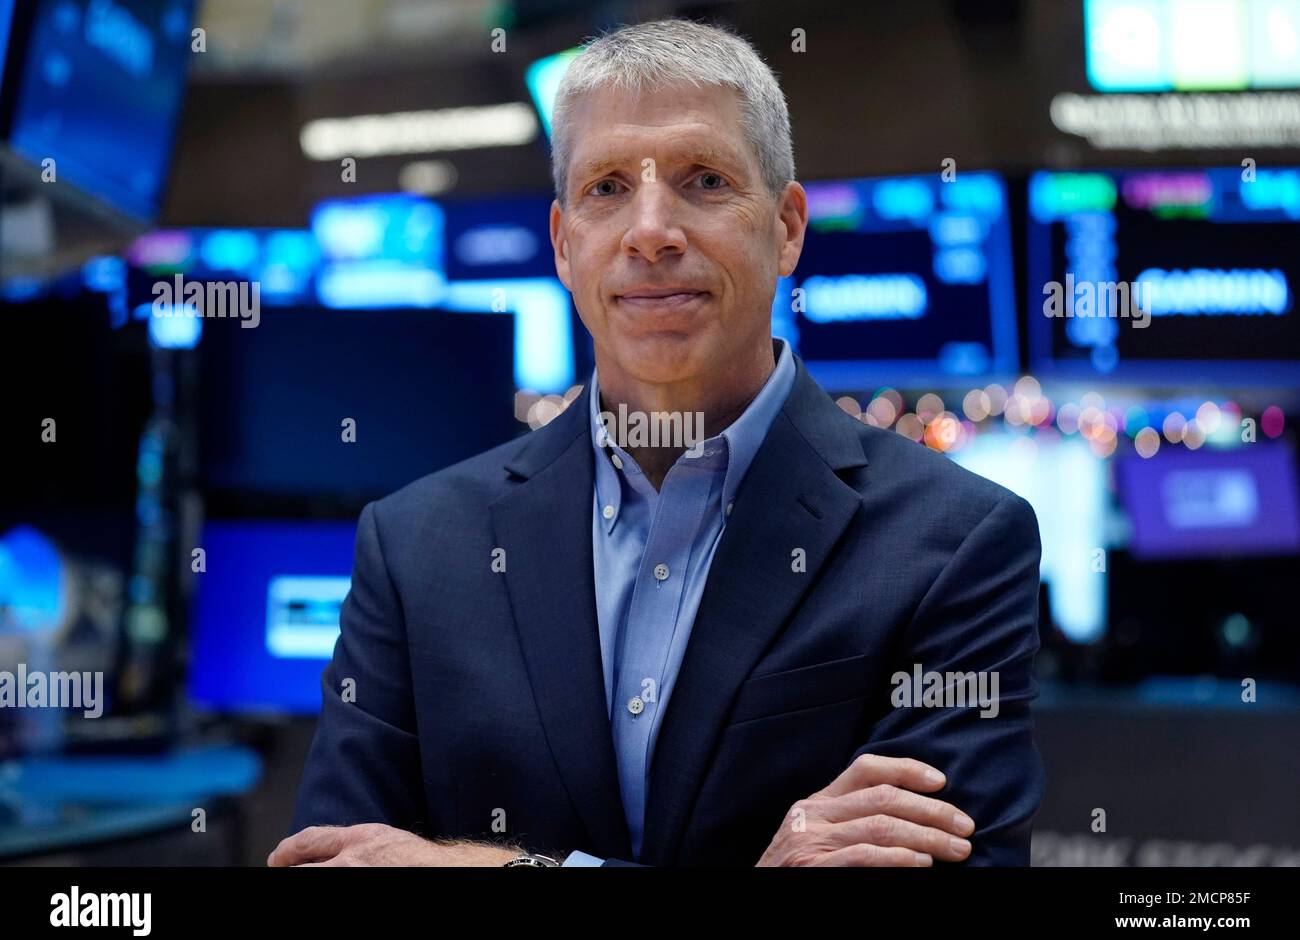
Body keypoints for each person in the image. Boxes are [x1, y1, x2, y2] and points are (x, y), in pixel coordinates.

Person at [271, 17, 1044, 868]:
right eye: (607, 188)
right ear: (565, 246)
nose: (651, 231)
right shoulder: (414, 548)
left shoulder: (955, 545)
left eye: (704, 180)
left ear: (786, 228)